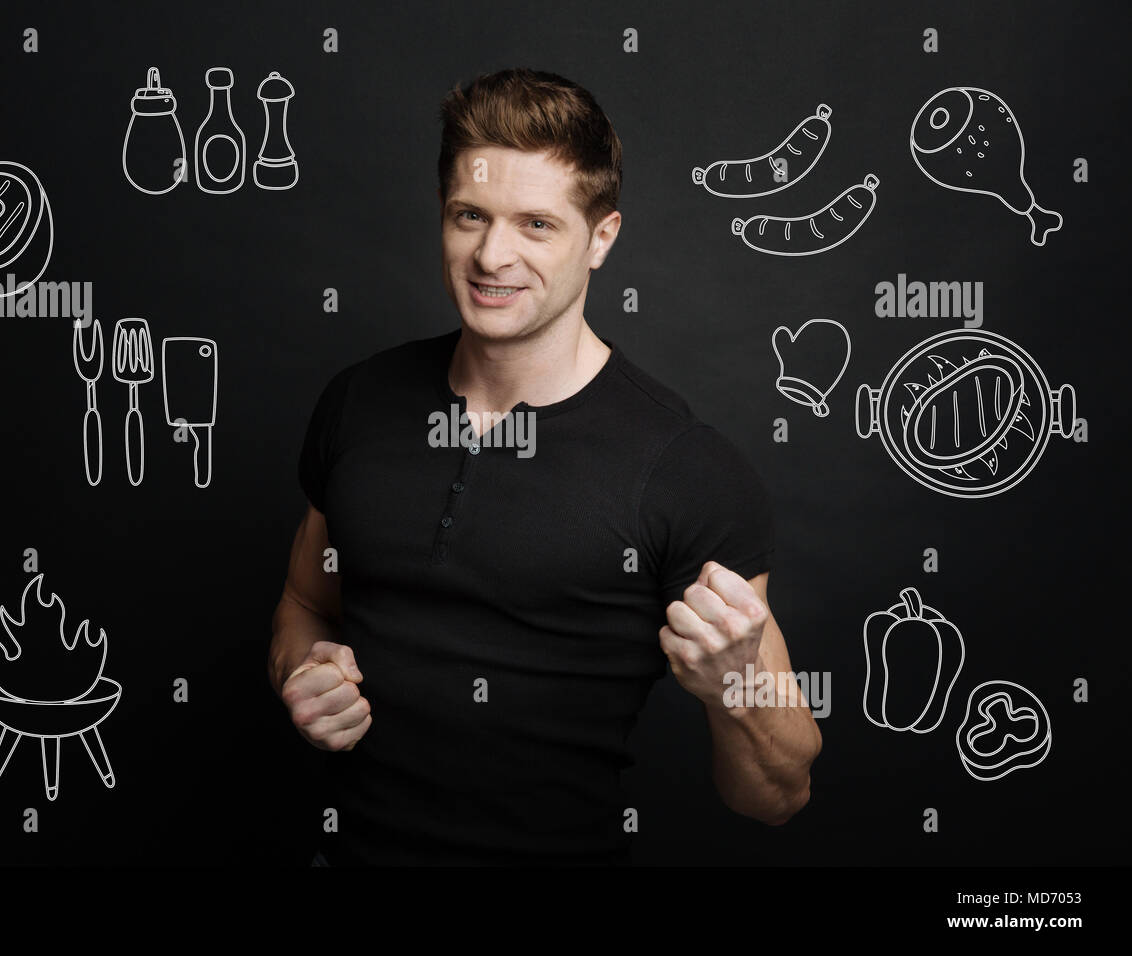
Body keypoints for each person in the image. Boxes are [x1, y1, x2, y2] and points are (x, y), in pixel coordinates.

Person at [269, 68, 822, 866]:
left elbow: (779, 795)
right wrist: (303, 671)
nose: (493, 255)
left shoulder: (685, 469)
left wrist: (736, 687)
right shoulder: (359, 402)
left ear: (601, 238)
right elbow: (302, 601)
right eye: (471, 216)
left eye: (536, 224)